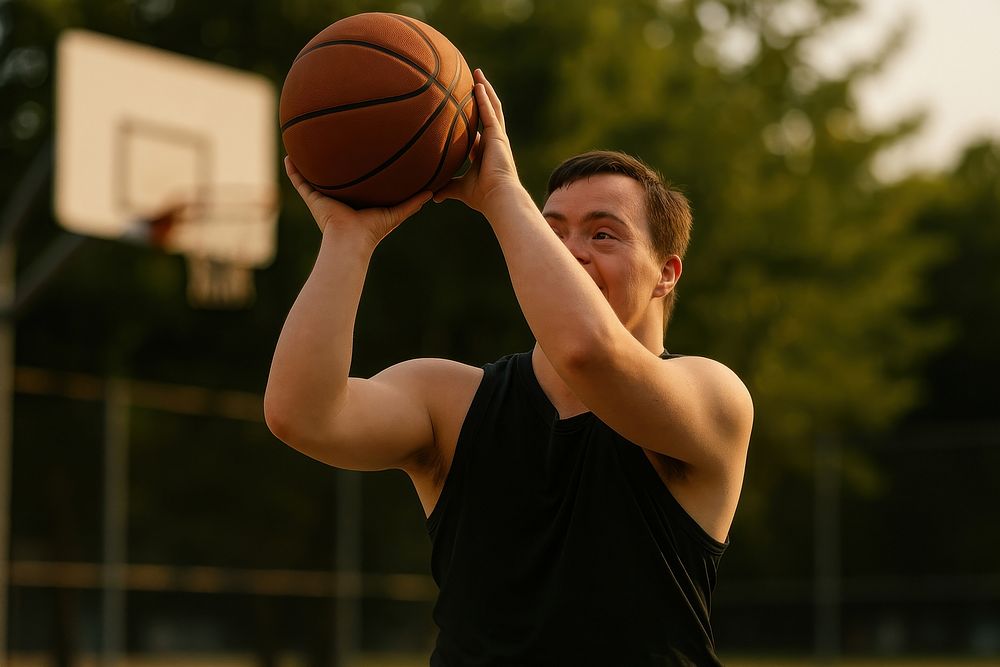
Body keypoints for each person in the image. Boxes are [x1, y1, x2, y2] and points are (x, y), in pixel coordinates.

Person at [265, 69, 753, 666]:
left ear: (666, 274)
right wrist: (347, 239)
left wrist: (499, 192)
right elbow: (301, 414)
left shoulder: (712, 395)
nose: (571, 251)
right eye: (552, 233)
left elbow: (587, 352)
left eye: (604, 234)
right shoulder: (450, 400)